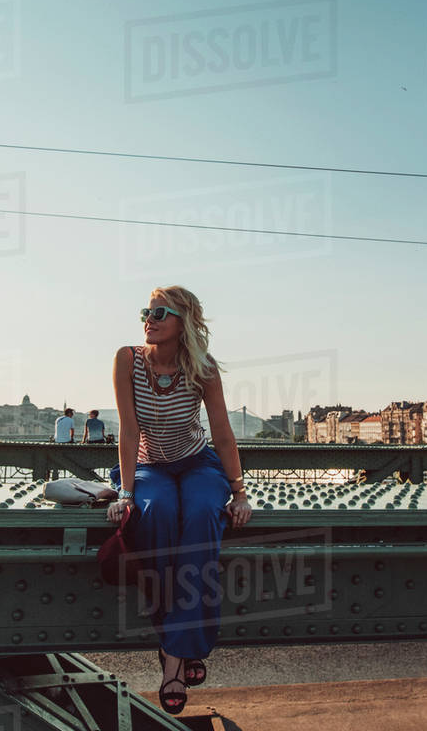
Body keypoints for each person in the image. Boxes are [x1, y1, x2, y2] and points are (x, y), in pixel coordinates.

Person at [106, 286, 251, 715]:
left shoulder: (202, 369)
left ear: (182, 321)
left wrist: (240, 493)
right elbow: (129, 432)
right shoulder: (126, 360)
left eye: (159, 313)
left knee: (205, 513)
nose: (148, 320)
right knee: (157, 514)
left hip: (196, 464)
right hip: (150, 467)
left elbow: (223, 433)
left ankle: (173, 657)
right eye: (145, 313)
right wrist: (127, 492)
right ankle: (181, 646)